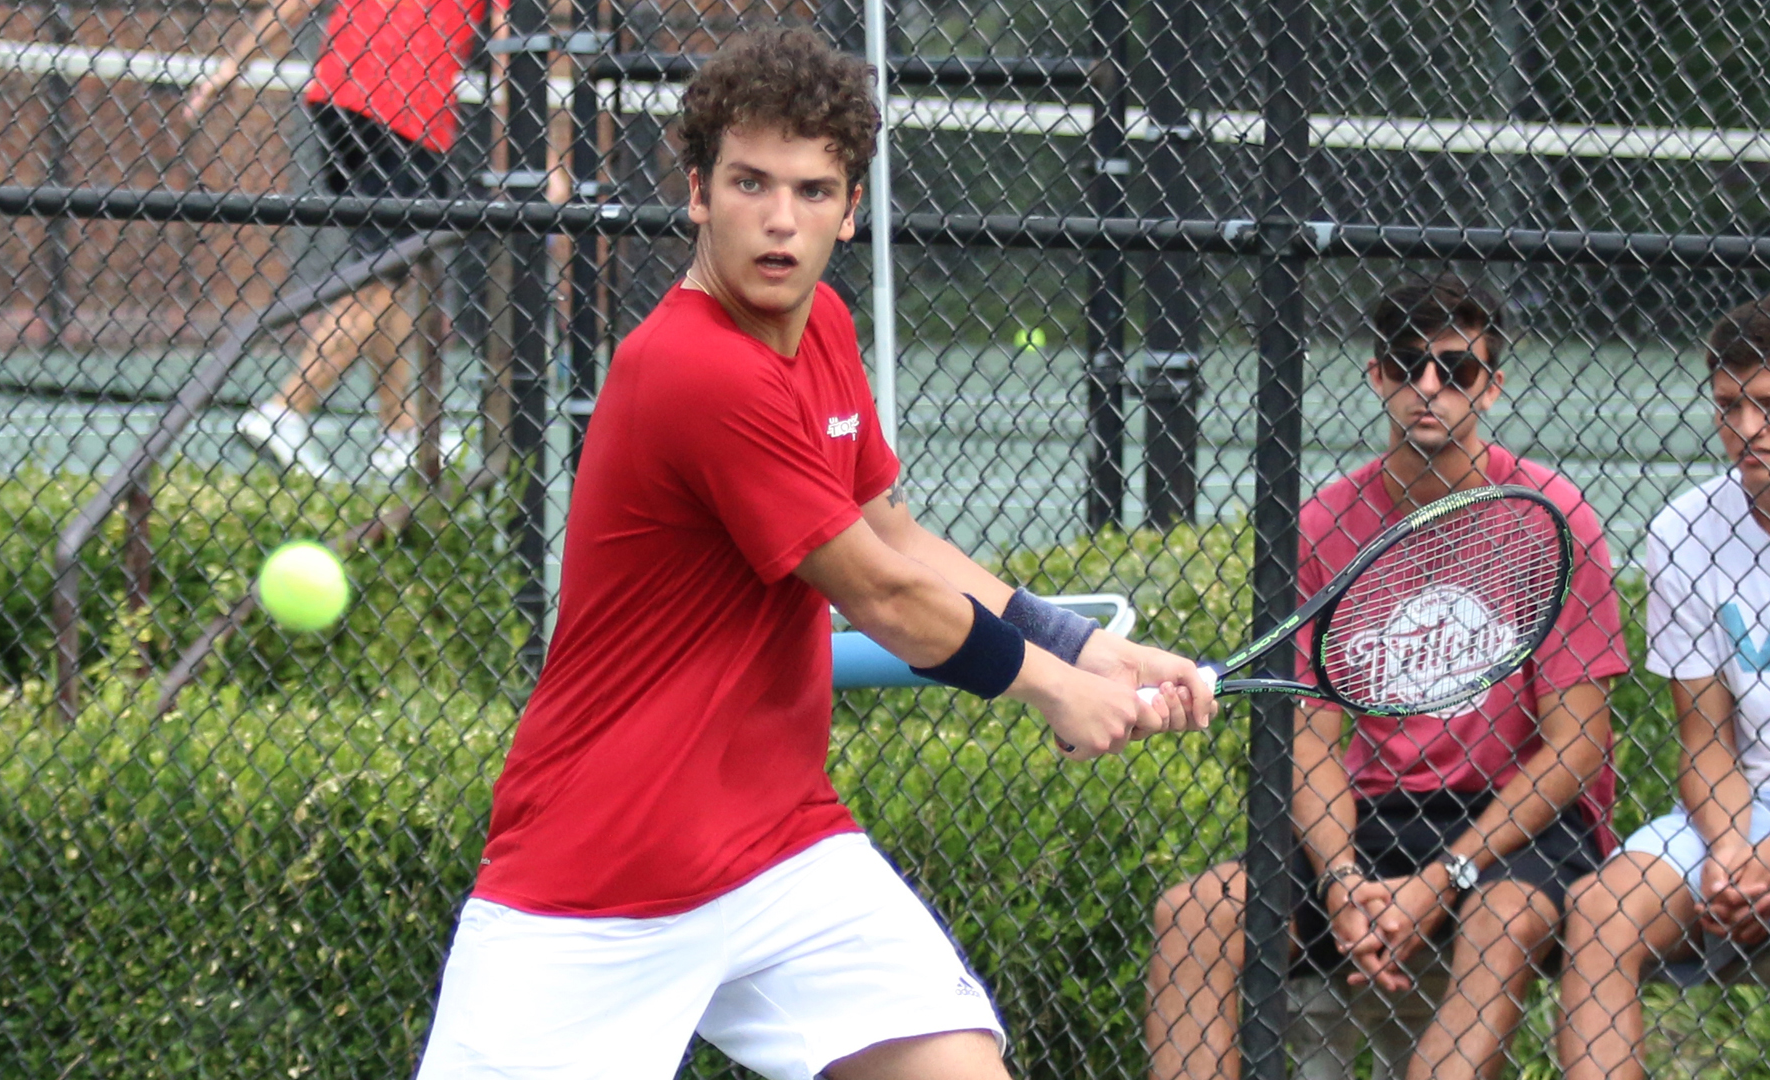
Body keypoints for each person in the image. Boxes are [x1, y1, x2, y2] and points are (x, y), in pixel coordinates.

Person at [411, 29, 1216, 1080]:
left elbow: (894, 532)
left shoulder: (822, 323)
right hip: (604, 870)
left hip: (777, 843)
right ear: (698, 193)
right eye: (751, 183)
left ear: (852, 208)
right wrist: (1052, 689)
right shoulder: (695, 371)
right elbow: (879, 592)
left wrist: (1078, 646)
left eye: (813, 189)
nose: (781, 219)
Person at [1144, 273, 1629, 1080]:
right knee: (1194, 916)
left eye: (1456, 369)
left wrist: (1445, 879)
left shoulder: (1553, 514)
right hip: (1368, 821)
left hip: (1515, 824)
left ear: (1493, 385)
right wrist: (1340, 882)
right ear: (1376, 378)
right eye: (1406, 367)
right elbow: (1311, 737)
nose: (1428, 388)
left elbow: (1578, 748)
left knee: (1499, 923)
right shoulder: (1323, 523)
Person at [1558, 295, 1770, 1080]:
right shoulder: (1685, 528)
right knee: (1599, 911)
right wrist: (1731, 854)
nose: (1746, 430)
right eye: (1728, 407)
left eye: (1767, 406)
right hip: (1738, 811)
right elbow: (1706, 739)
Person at [184, 0, 497, 479]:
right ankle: (286, 409)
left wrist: (232, 66)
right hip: (404, 113)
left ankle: (399, 432)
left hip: (336, 101)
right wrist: (548, 158)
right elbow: (521, 51)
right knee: (381, 277)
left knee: (393, 270)